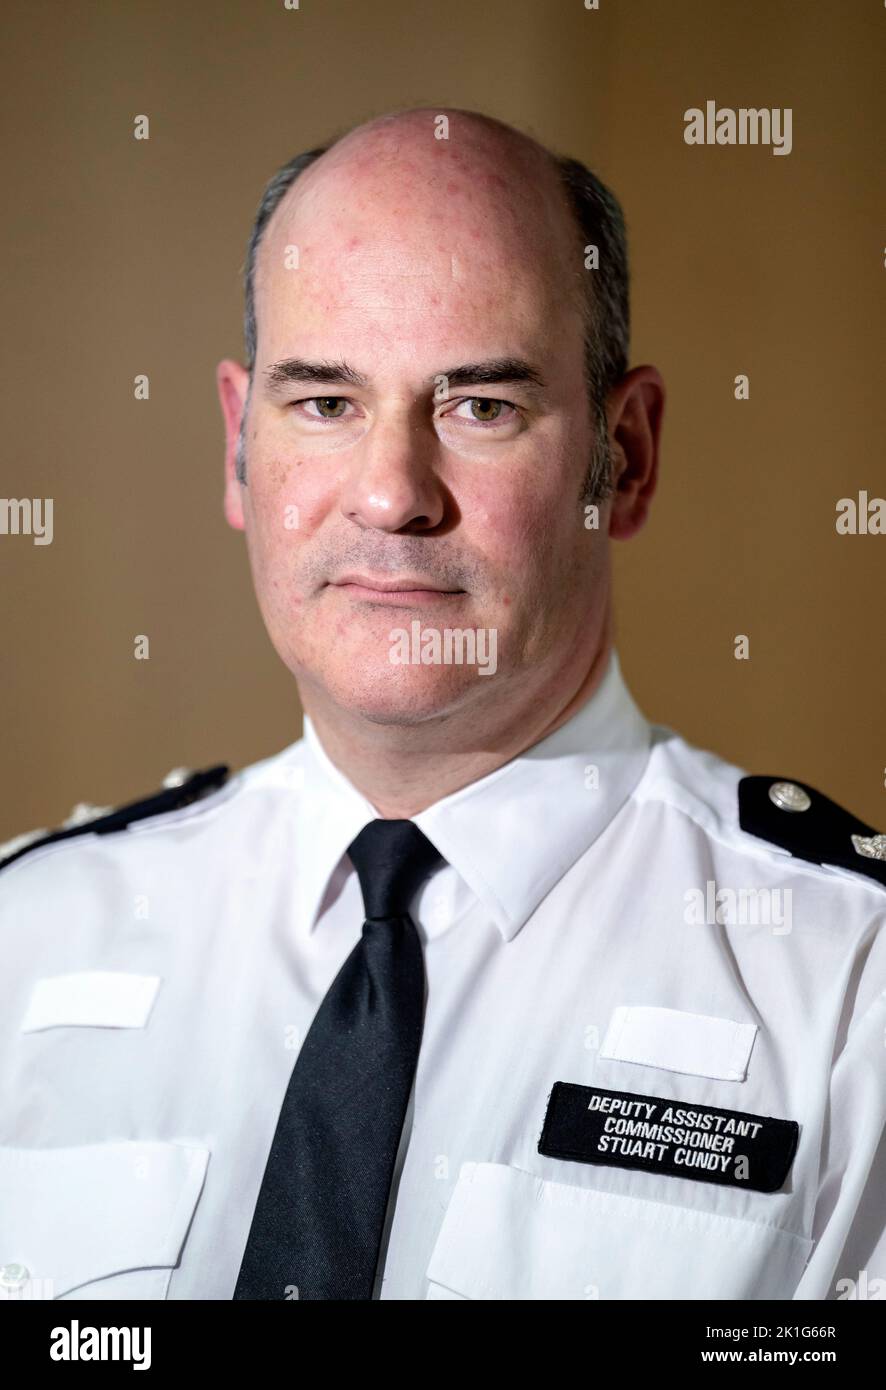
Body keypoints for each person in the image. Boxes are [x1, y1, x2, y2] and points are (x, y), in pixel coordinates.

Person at [1, 107, 884, 1303]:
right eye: (323, 403)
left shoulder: (848, 989)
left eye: (481, 407)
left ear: (623, 455)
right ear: (235, 446)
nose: (390, 493)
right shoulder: (29, 938)